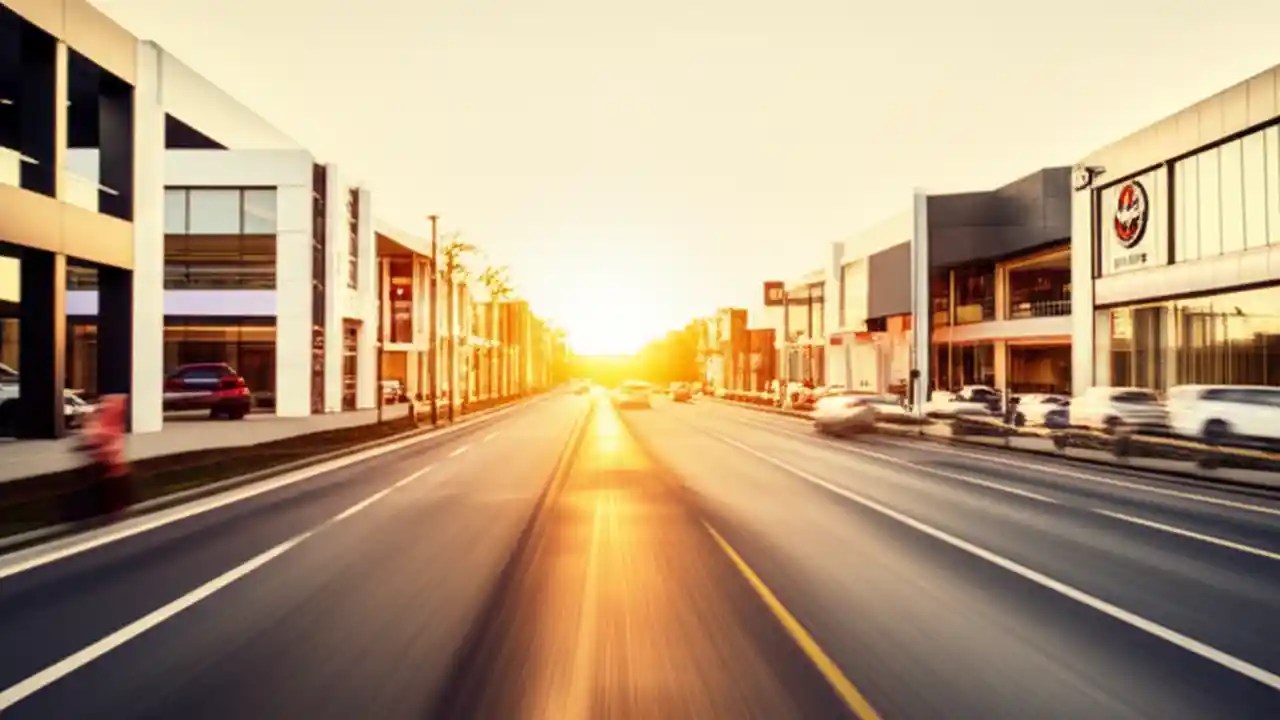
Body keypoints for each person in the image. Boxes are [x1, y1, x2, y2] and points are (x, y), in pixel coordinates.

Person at [78, 394, 132, 519]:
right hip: (110, 465)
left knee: (109, 488)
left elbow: (97, 437)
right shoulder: (109, 421)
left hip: (110, 466)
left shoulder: (106, 421)